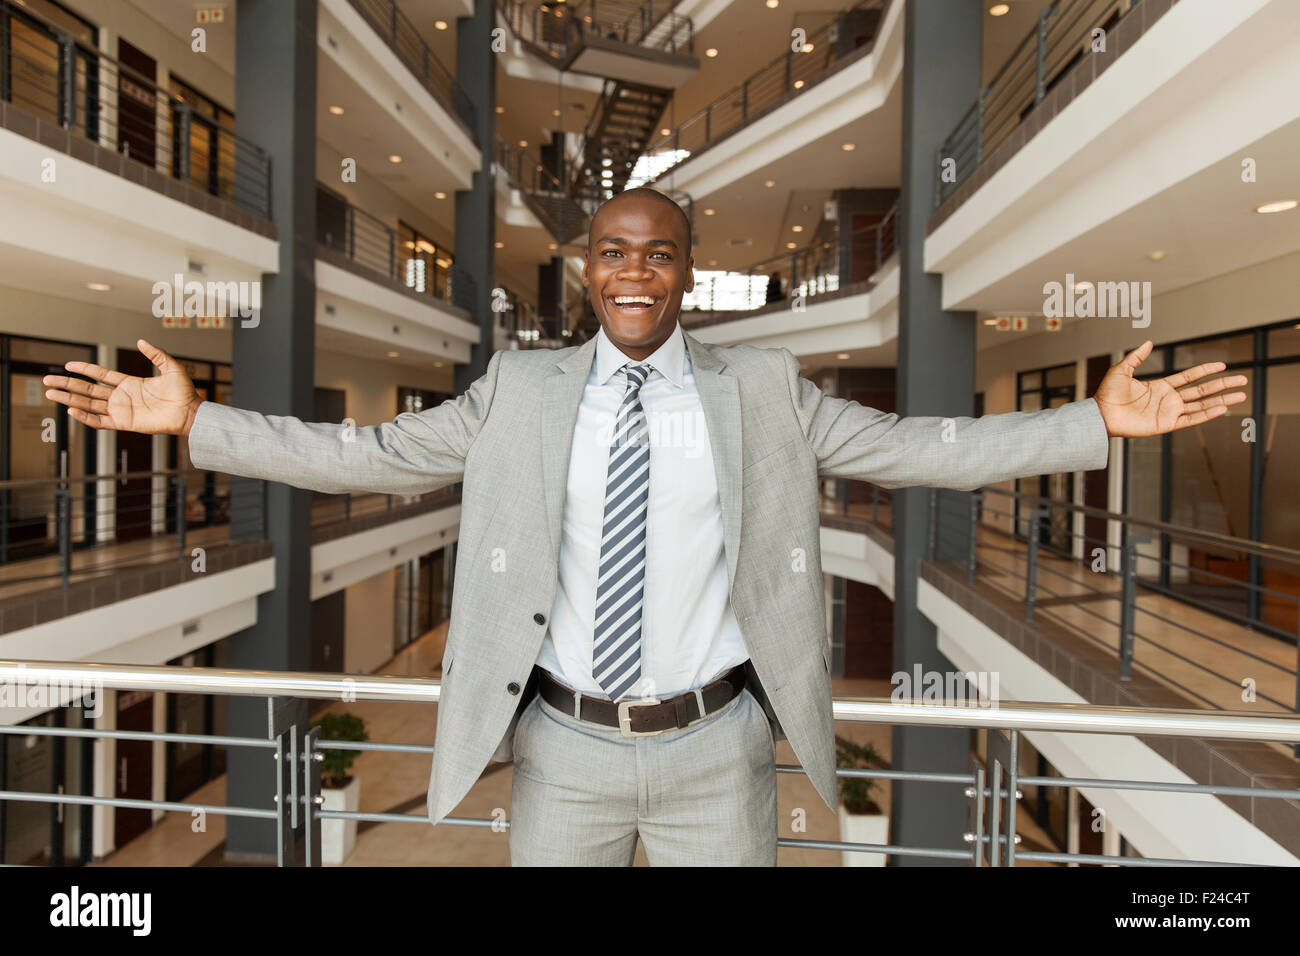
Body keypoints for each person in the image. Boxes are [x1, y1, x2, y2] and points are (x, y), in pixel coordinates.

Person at [43, 187, 1247, 866]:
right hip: (562, 750)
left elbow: (925, 449)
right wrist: (198, 421)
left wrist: (1090, 425)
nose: (633, 274)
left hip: (716, 751)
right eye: (613, 254)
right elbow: (359, 455)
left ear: (683, 271)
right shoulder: (519, 390)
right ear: (588, 268)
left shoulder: (762, 392)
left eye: (657, 256)